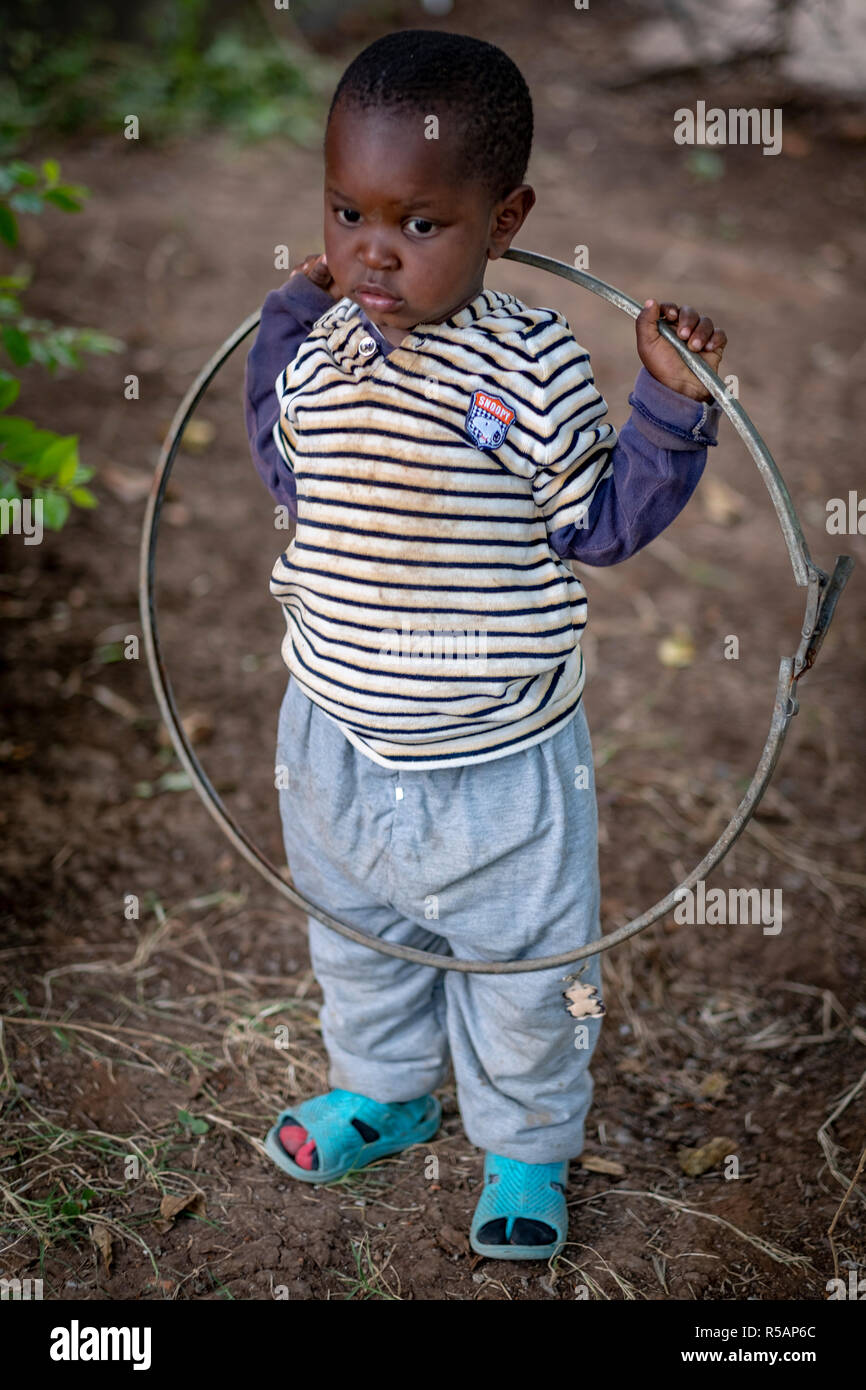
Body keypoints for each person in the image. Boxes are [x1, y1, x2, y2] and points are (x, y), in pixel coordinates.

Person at [243, 29, 726, 1261]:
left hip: (497, 752)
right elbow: (281, 464)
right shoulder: (326, 348)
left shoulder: (531, 363)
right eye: (347, 211)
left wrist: (666, 404)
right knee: (359, 939)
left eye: (418, 223)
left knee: (524, 968)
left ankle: (523, 1149)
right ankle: (387, 1092)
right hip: (336, 735)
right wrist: (286, 312)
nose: (371, 251)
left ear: (503, 218)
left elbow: (600, 522)